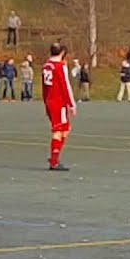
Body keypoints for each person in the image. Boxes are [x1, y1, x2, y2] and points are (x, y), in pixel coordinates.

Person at [41, 42, 76, 171]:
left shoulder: (46, 66)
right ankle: (54, 161)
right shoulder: (60, 66)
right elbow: (65, 85)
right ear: (62, 53)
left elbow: (44, 88)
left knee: (65, 129)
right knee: (59, 130)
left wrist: (46, 103)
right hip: (59, 102)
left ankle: (54, 157)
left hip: (50, 101)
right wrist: (71, 104)